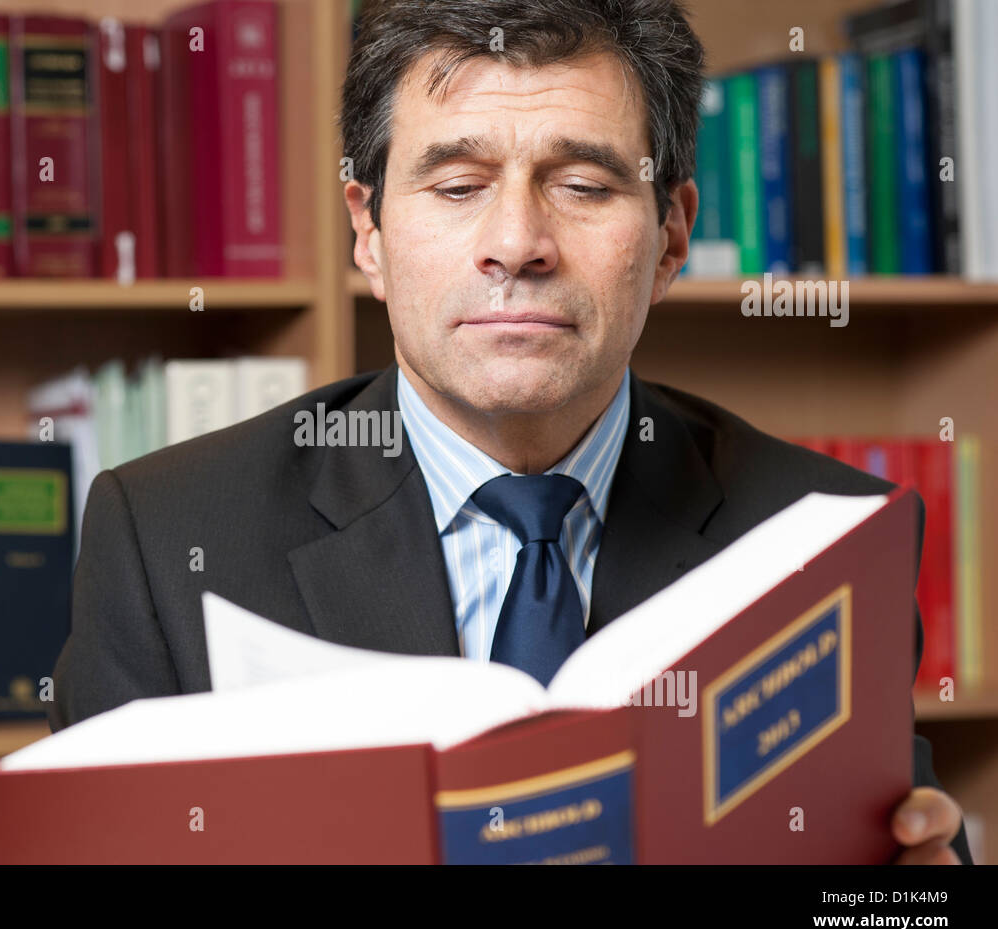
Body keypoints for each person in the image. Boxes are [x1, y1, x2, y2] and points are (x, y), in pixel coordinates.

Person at [51, 0, 970, 864]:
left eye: (581, 184)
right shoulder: (167, 535)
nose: (517, 241)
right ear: (368, 232)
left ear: (671, 237)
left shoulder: (830, 535)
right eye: (457, 185)